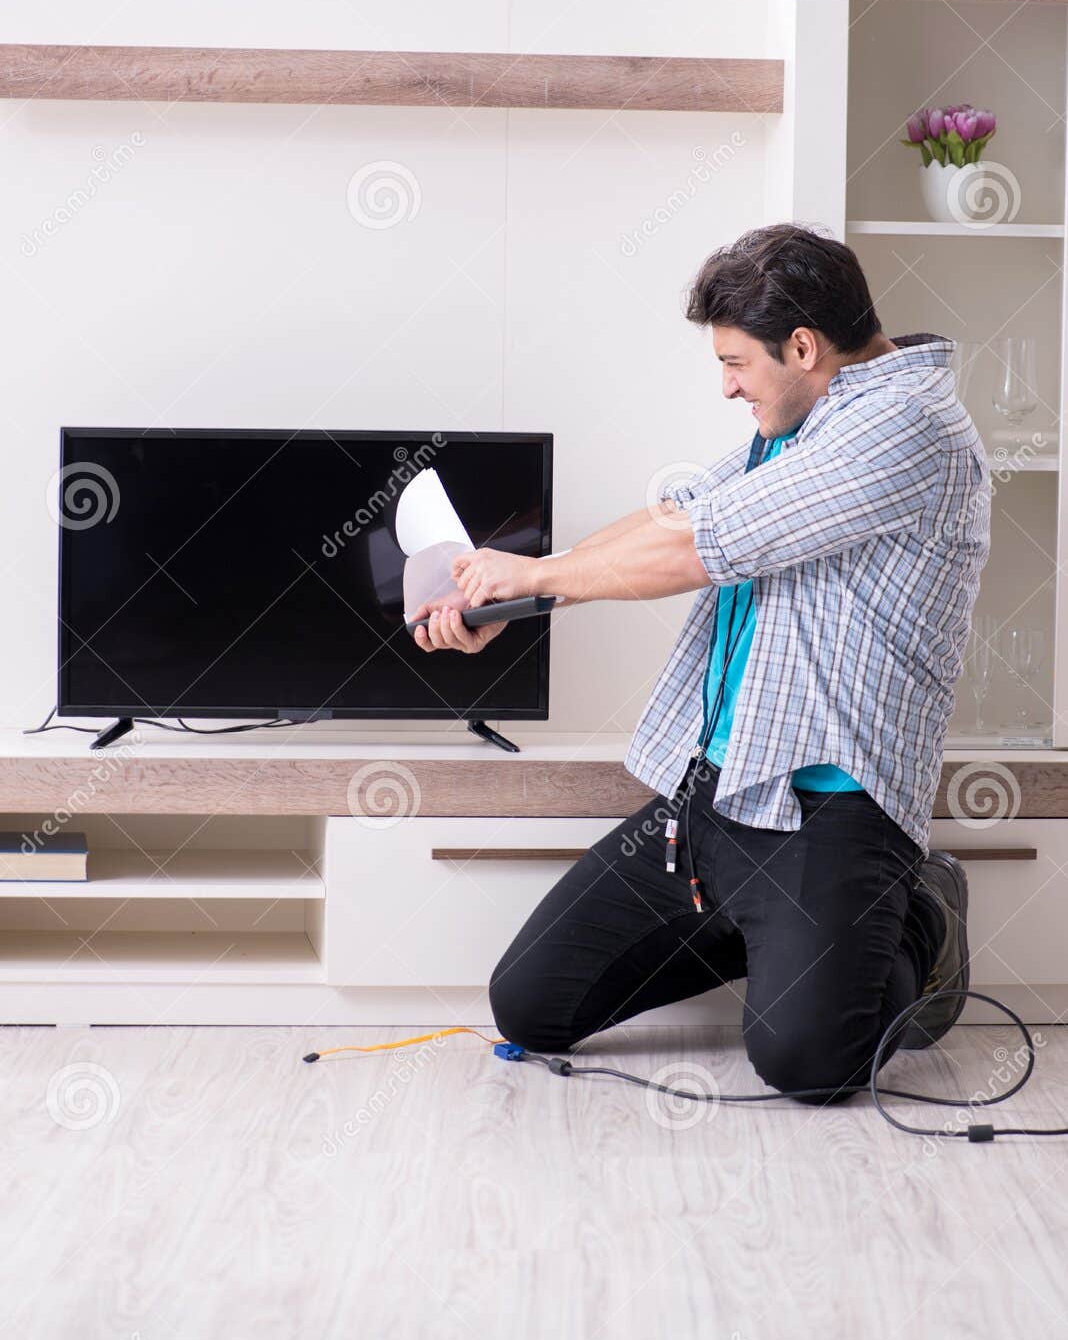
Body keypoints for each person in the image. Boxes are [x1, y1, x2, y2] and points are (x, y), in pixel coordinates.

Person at [409, 224, 992, 1104]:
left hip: (829, 814)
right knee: (529, 1004)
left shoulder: (904, 425)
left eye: (735, 363)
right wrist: (516, 601)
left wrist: (535, 573)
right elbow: (681, 514)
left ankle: (917, 921)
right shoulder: (808, 413)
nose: (725, 386)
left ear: (803, 346)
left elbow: (707, 545)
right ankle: (778, 937)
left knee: (807, 1065)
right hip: (712, 801)